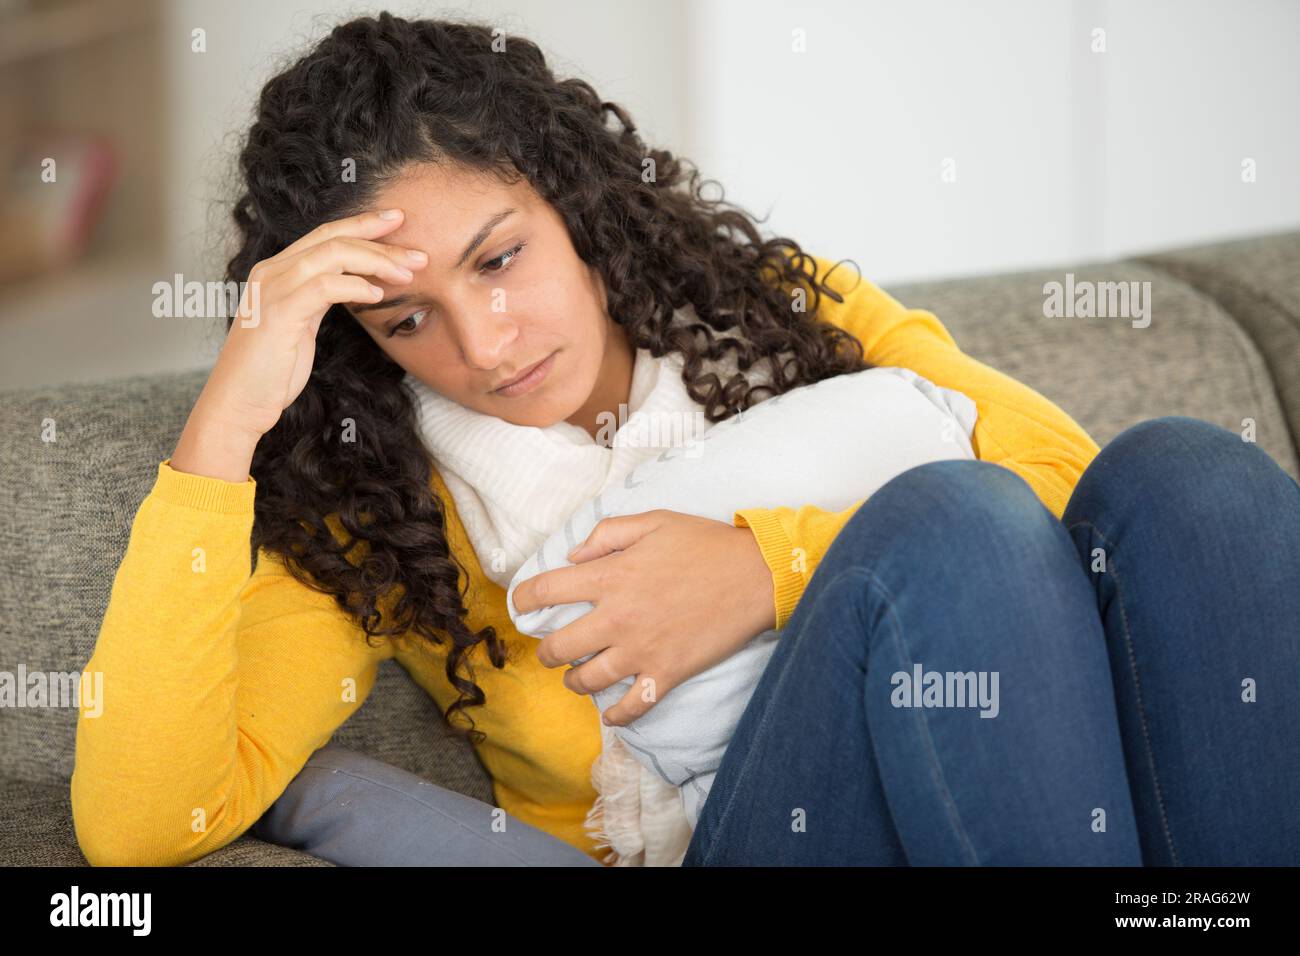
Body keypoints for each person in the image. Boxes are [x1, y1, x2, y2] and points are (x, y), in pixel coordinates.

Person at [70, 12, 1300, 868]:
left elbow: (1073, 493)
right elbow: (140, 823)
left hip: (1011, 776)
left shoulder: (780, 304)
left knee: (1188, 473)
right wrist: (226, 418)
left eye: (500, 258)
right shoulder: (377, 504)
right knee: (954, 521)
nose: (486, 344)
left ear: (574, 197)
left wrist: (761, 570)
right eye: (408, 319)